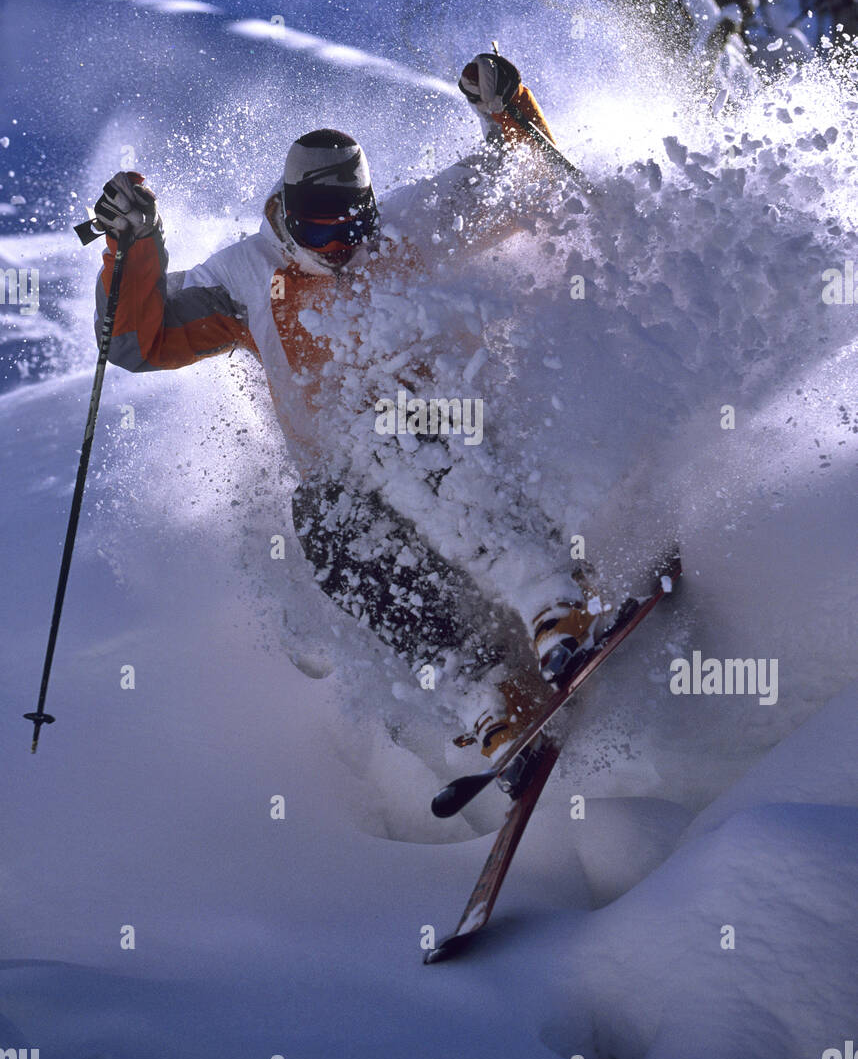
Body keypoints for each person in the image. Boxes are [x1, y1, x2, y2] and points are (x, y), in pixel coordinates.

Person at [90, 53, 606, 762]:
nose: (340, 248)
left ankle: (555, 592)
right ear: (290, 214)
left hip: (460, 441)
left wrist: (507, 102)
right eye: (322, 230)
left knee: (394, 421)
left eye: (352, 228)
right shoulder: (244, 279)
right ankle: (486, 686)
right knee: (322, 520)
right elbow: (136, 344)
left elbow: (522, 178)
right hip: (367, 491)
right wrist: (134, 246)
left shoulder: (402, 230)